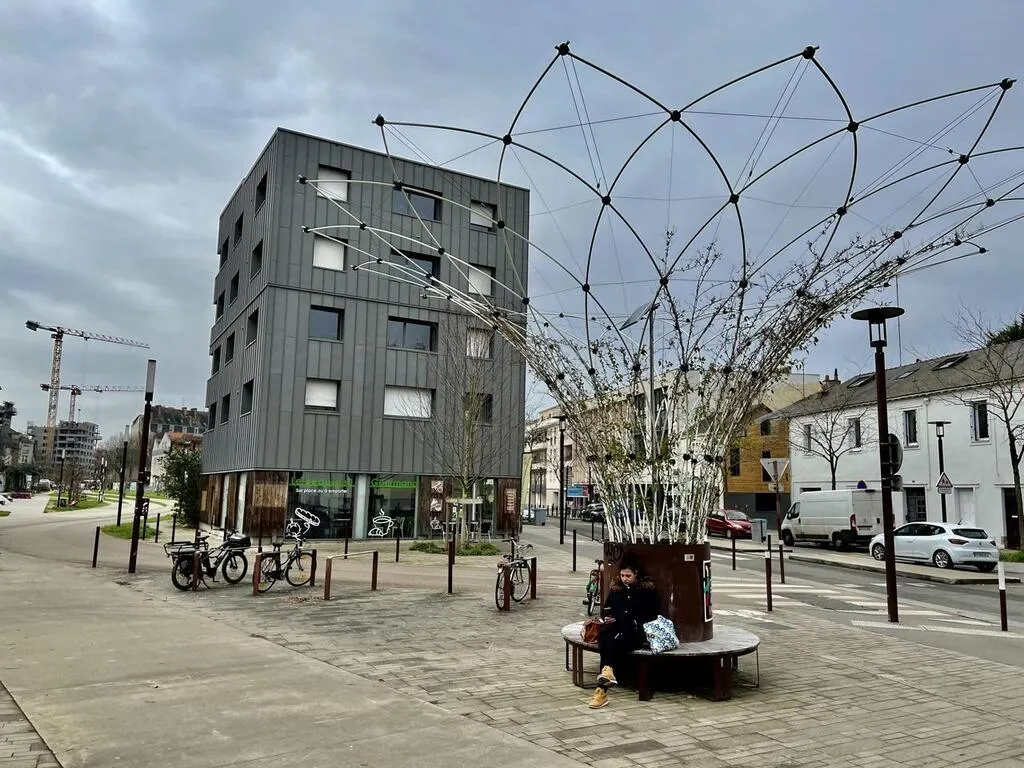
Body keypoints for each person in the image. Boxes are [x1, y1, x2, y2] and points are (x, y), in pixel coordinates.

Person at [589, 554, 659, 709]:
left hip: (635, 631)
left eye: (628, 575)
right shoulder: (616, 589)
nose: (624, 579)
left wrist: (633, 620)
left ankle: (602, 690)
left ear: (636, 575)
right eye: (622, 575)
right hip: (616, 628)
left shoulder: (646, 591)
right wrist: (608, 617)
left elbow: (652, 614)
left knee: (613, 643)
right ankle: (606, 675)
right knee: (606, 639)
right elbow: (607, 608)